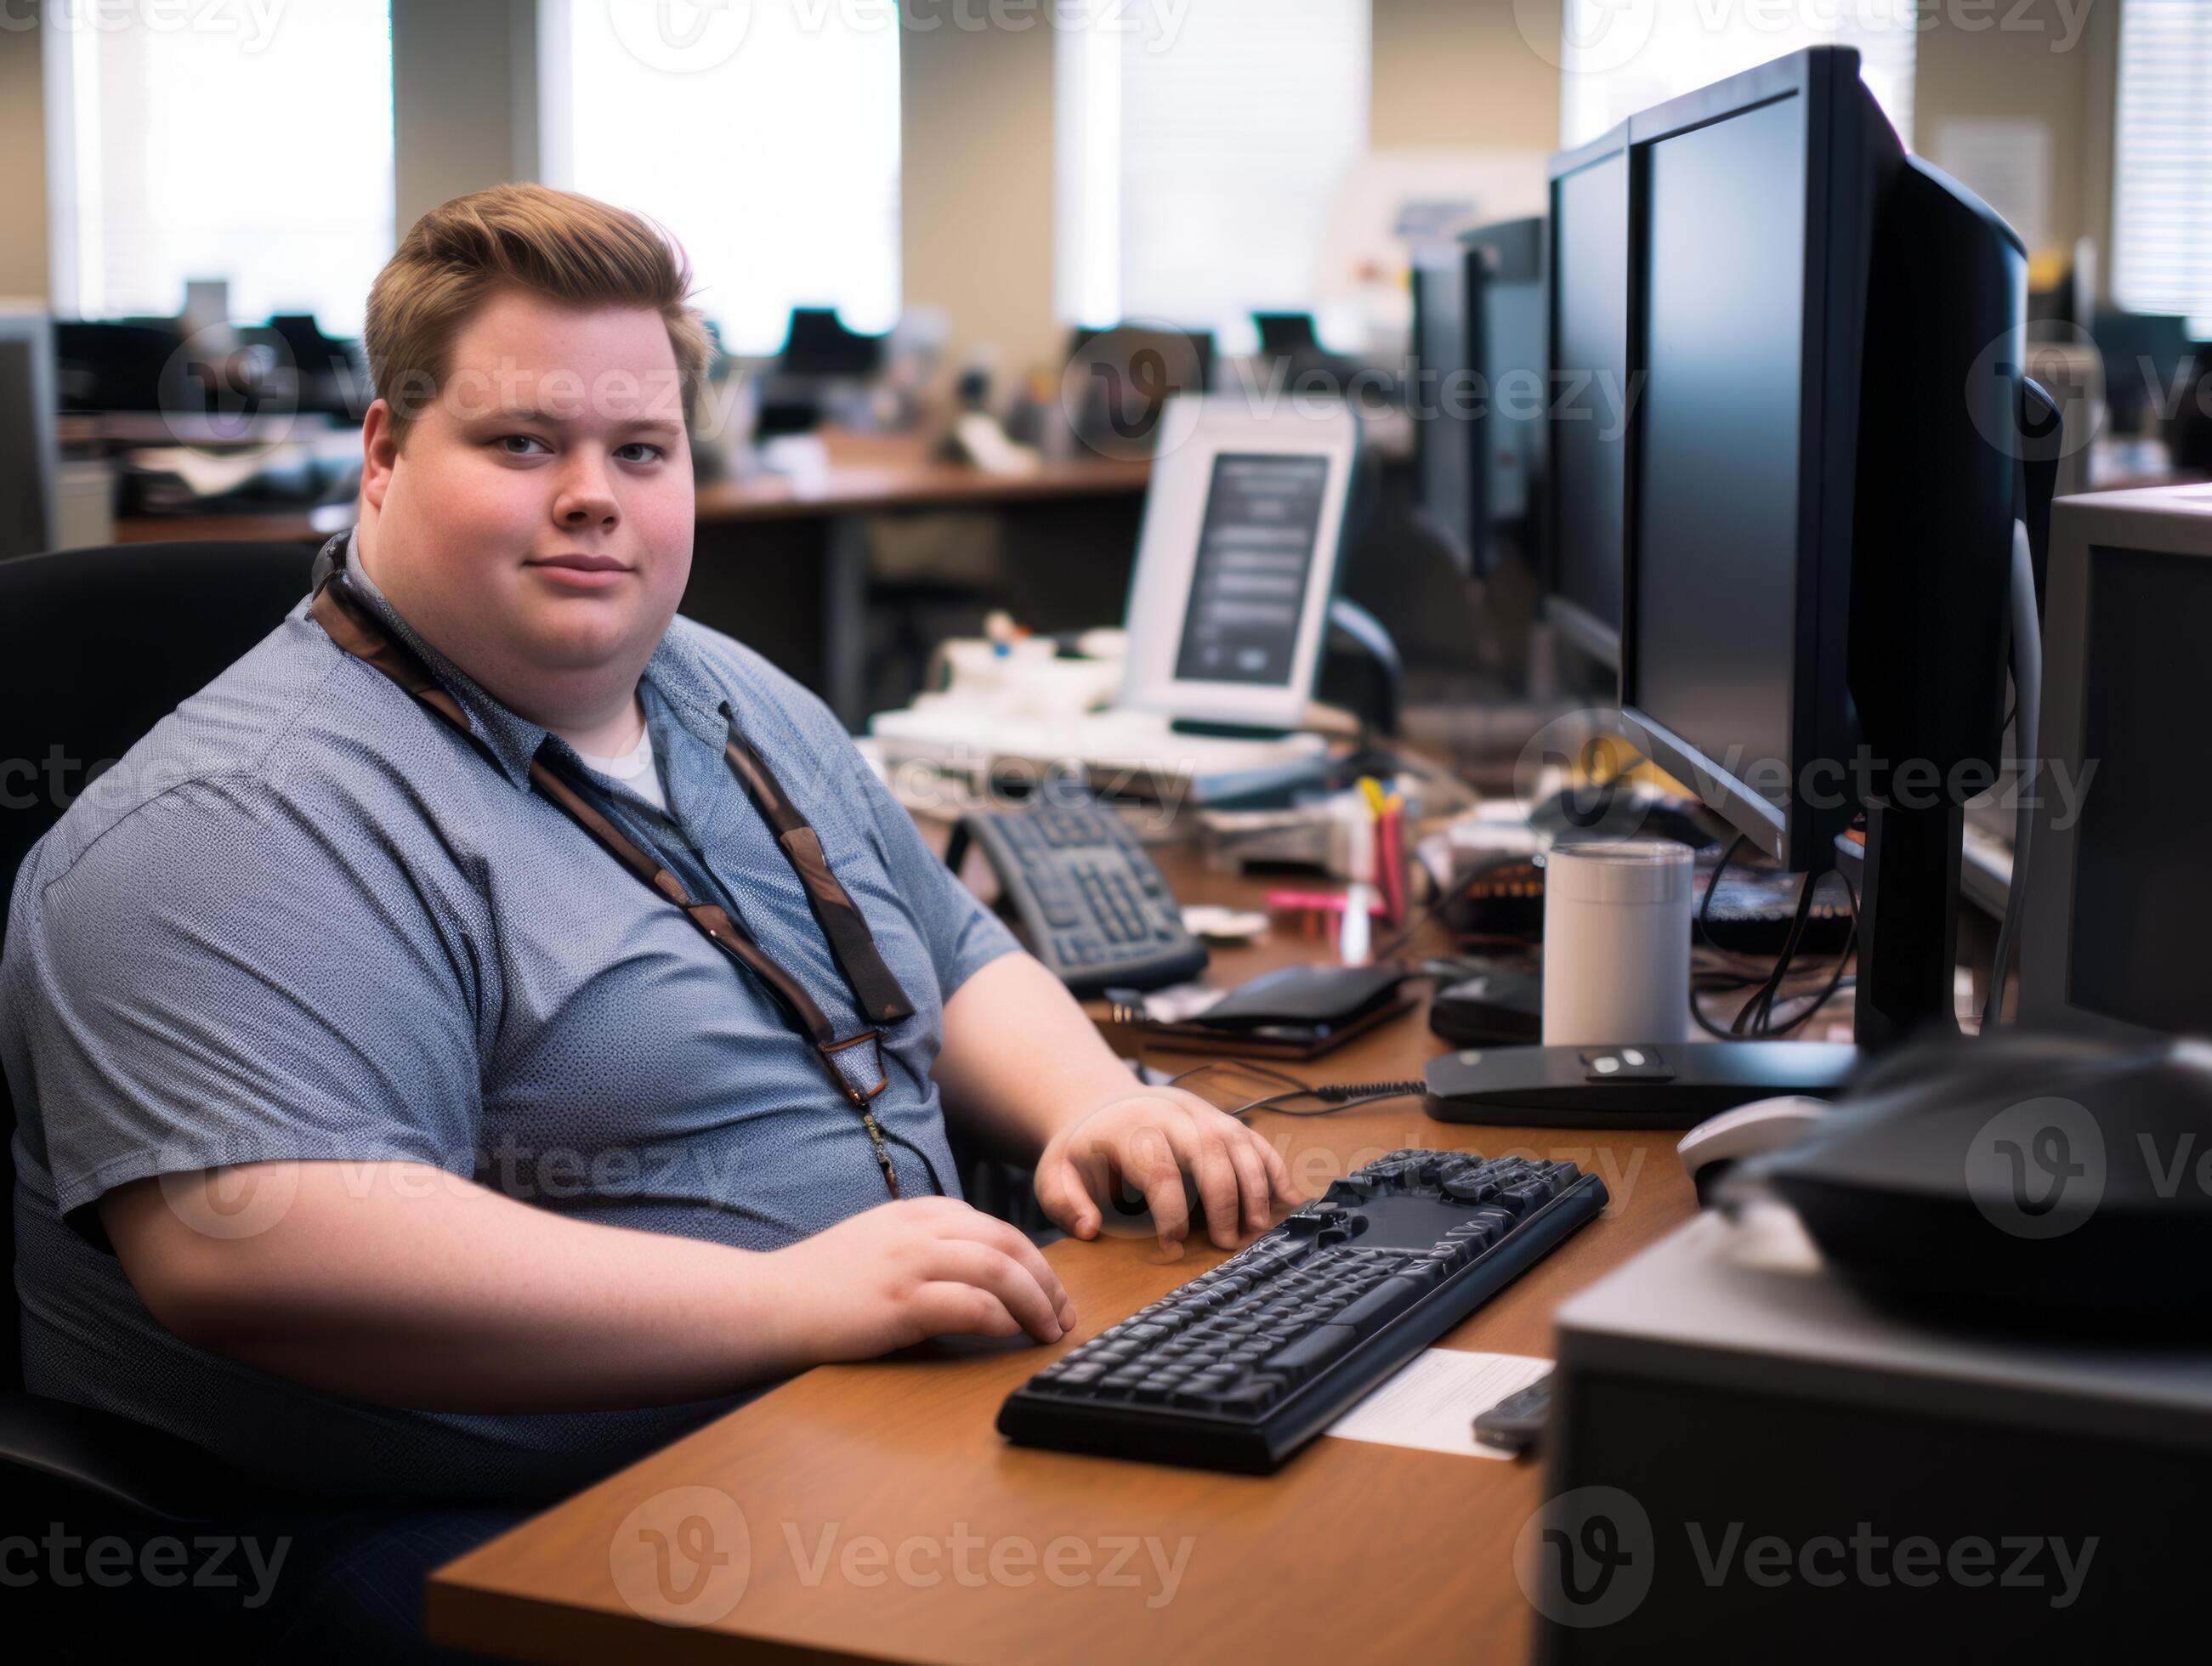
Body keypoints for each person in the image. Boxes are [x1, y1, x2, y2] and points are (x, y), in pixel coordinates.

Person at [1, 184, 1298, 1527]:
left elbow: (952, 950)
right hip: (512, 1532)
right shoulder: (239, 821)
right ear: (383, 453)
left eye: (640, 450)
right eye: (521, 443)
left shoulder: (716, 690)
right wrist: (791, 1297)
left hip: (877, 1407)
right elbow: (259, 1249)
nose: (591, 501)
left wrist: (1089, 1101)